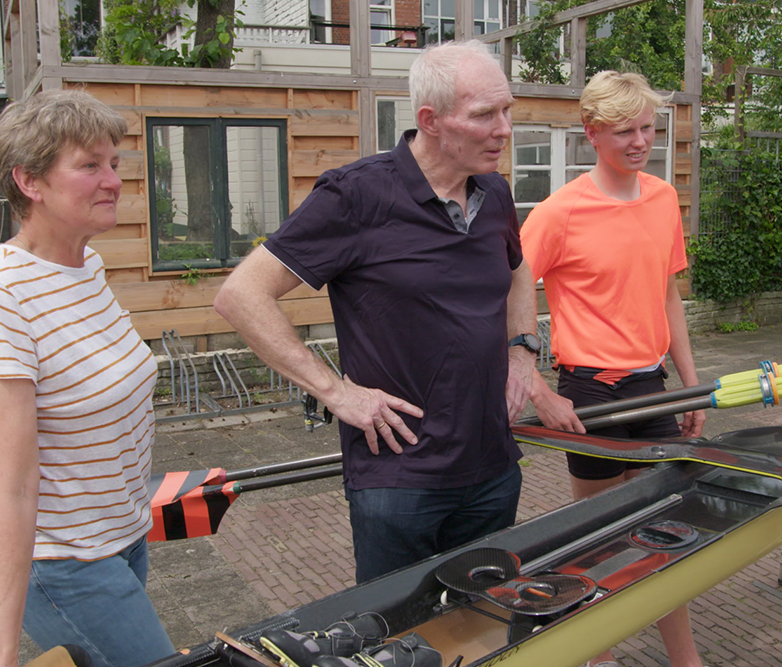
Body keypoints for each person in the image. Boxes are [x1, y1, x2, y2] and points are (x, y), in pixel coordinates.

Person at [214, 40, 536, 584]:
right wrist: (336, 392)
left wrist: (523, 351)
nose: (504, 128)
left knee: (483, 625)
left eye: (507, 110)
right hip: (399, 481)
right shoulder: (356, 196)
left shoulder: (495, 192)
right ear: (430, 120)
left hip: (492, 469)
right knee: (397, 639)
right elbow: (241, 295)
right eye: (485, 115)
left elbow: (516, 268)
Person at [0, 90, 175, 667]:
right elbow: (10, 486)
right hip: (63, 562)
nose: (112, 180)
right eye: (89, 165)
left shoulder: (84, 266)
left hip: (124, 538)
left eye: (114, 163)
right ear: (30, 181)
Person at [521, 71, 706, 667]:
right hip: (591, 394)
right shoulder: (560, 212)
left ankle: (685, 660)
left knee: (666, 535)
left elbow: (669, 296)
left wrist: (691, 383)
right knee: (600, 538)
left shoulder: (660, 199)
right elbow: (511, 287)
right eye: (624, 130)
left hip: (651, 390)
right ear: (592, 133)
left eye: (647, 127)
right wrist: (529, 377)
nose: (639, 140)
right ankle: (595, 656)